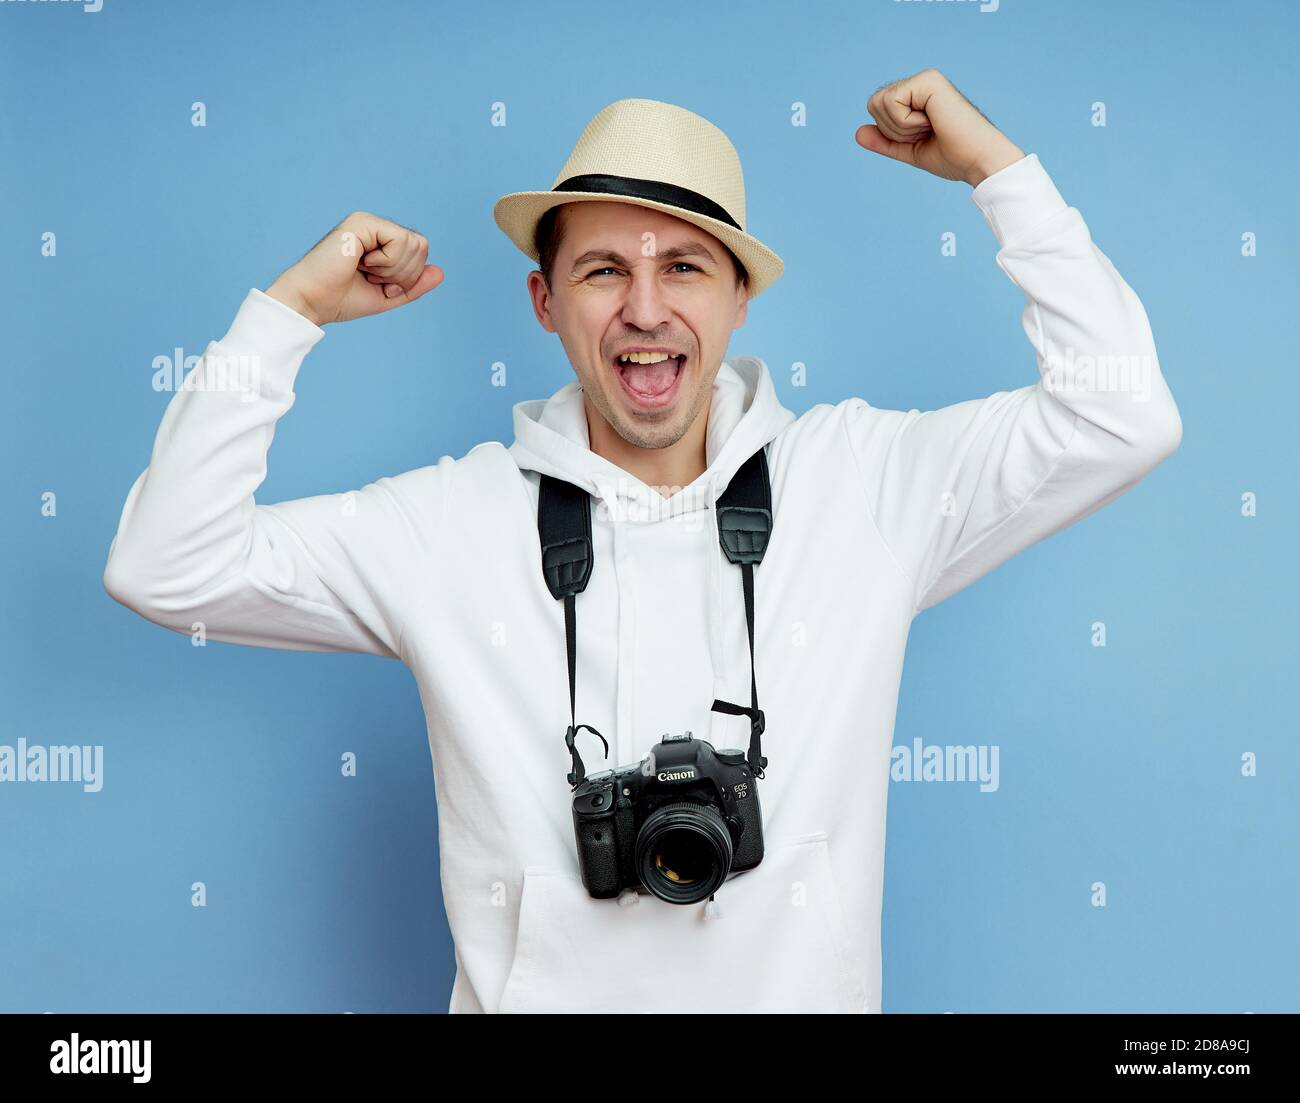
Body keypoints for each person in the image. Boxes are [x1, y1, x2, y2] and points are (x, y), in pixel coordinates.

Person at [103, 74, 1182, 1014]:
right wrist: (288, 313)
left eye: (687, 268)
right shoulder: (446, 523)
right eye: (605, 270)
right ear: (545, 301)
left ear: (741, 297)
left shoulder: (865, 483)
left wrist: (1000, 171)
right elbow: (166, 564)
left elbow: (1122, 414)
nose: (646, 307)